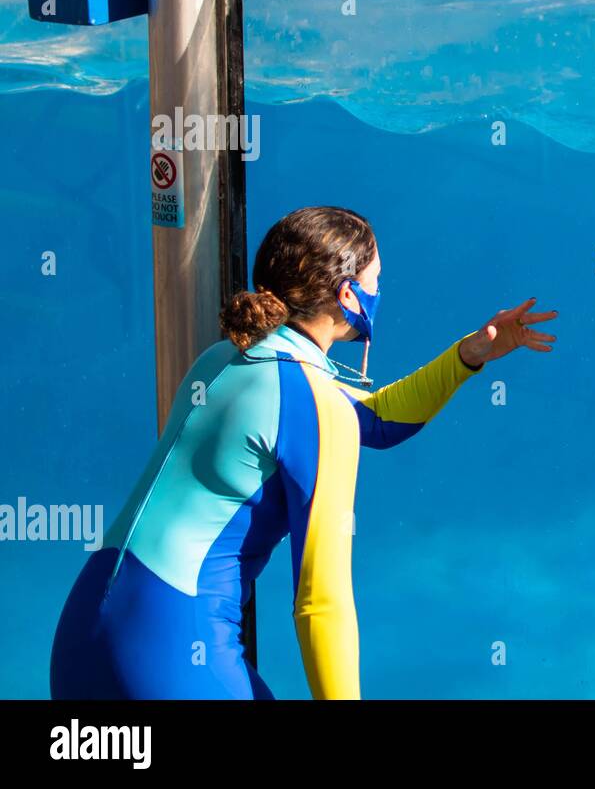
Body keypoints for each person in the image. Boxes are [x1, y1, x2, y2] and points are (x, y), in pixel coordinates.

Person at [49, 205, 557, 699]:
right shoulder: (315, 405)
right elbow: (321, 605)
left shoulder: (222, 359)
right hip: (171, 654)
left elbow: (377, 418)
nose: (380, 292)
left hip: (80, 642)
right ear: (348, 294)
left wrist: (470, 354)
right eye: (377, 280)